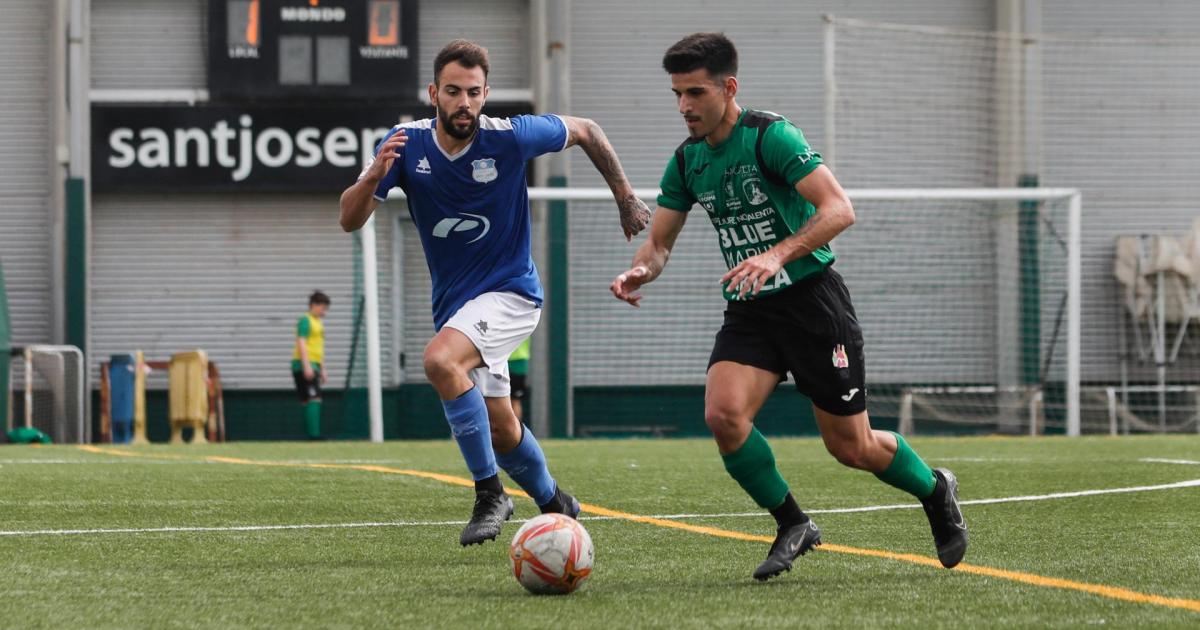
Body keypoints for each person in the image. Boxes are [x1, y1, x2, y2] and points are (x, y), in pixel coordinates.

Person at [610, 33, 967, 581]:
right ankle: (793, 523)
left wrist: (777, 254)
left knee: (851, 447)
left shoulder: (770, 136)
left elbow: (839, 209)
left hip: (812, 303)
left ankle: (934, 488)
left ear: (729, 88)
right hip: (751, 308)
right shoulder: (687, 161)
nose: (683, 106)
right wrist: (641, 270)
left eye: (695, 92)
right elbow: (658, 244)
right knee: (723, 416)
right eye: (677, 94)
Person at [339, 40, 649, 546]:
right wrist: (373, 177)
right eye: (453, 92)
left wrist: (626, 197)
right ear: (433, 93)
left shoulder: (510, 136)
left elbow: (588, 130)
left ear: (486, 94)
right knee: (502, 430)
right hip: (457, 307)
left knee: (440, 361)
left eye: (474, 92)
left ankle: (490, 494)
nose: (464, 102)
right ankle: (555, 503)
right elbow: (349, 220)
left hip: (512, 293)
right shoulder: (402, 145)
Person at [292, 291, 330, 440]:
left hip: (314, 364)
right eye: (323, 308)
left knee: (307, 400)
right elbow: (301, 343)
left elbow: (319, 347)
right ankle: (314, 436)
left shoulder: (318, 323)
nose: (324, 312)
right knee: (314, 398)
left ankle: (311, 434)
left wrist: (323, 368)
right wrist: (306, 365)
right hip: (304, 364)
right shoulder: (305, 320)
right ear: (313, 305)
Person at [508, 338, 530, 422]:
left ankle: (514, 427)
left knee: (515, 399)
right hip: (514, 360)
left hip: (517, 361)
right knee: (514, 399)